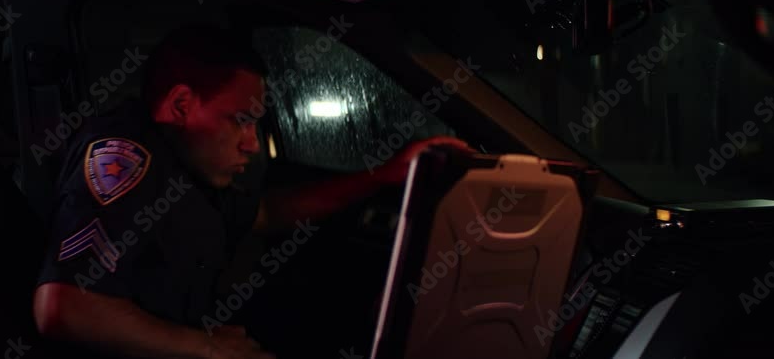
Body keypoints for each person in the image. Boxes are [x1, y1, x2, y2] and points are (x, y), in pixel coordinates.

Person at [32, 25, 472, 359]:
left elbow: (263, 213)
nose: (252, 143)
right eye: (239, 121)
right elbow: (64, 307)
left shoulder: (192, 163)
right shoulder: (125, 157)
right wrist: (207, 348)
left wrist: (381, 177)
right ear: (182, 106)